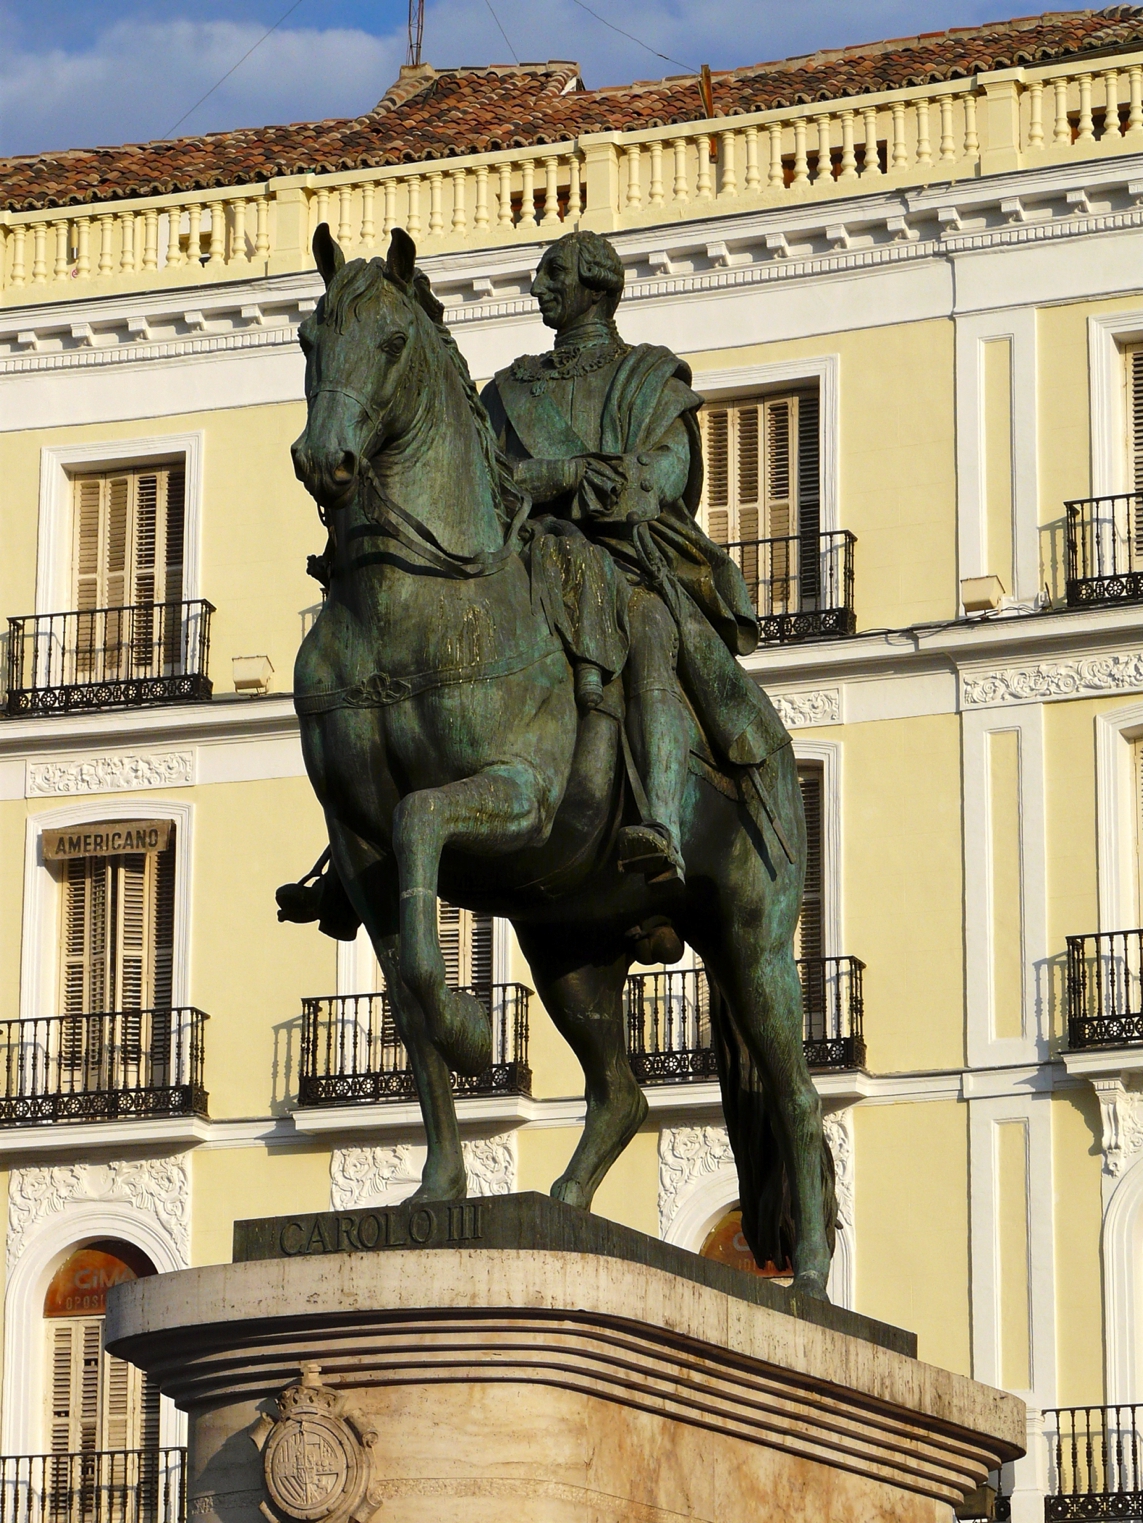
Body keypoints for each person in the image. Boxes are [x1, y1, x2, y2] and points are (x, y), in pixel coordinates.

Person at [481, 230, 789, 885]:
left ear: (593, 287)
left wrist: (564, 476)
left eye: (551, 275)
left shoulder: (649, 379)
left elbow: (662, 477)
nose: (536, 288)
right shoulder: (508, 390)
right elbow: (472, 480)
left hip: (625, 562)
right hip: (524, 561)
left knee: (649, 632)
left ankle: (660, 825)